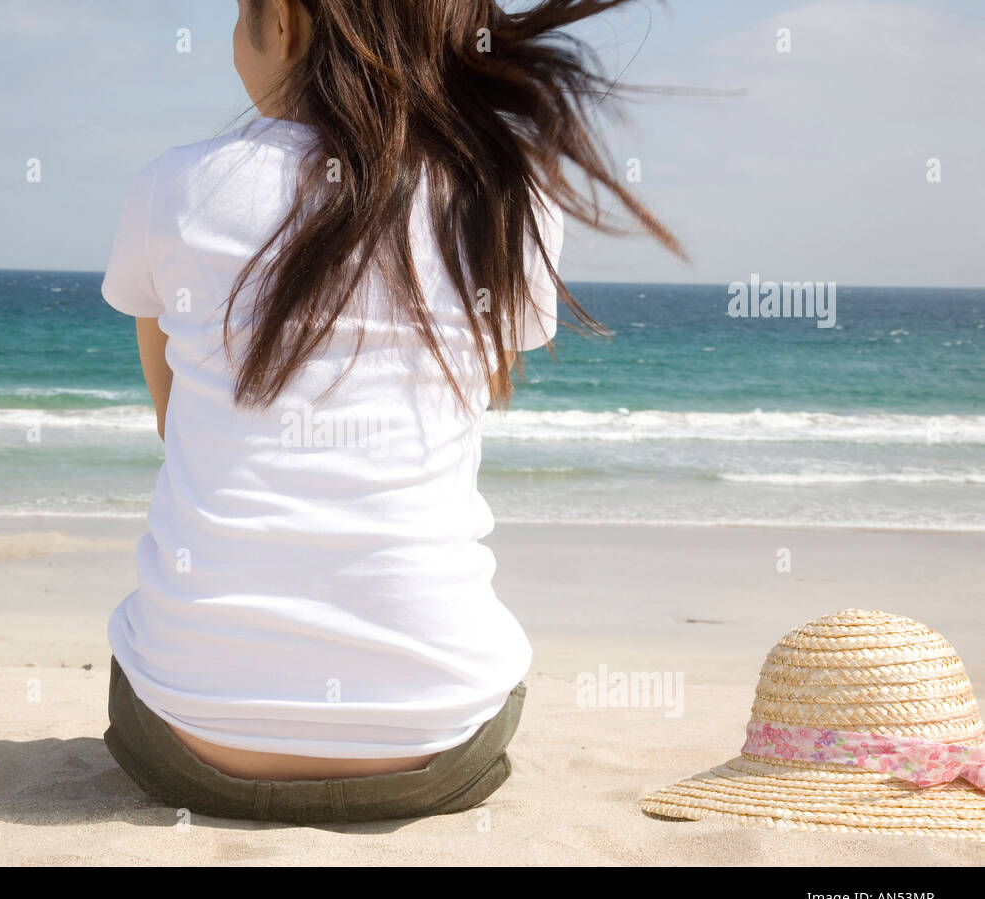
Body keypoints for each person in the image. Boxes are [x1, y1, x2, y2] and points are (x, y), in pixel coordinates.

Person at [100, 0, 680, 824]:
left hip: (192, 746)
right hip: (435, 746)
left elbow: (175, 424)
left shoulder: (175, 187)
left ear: (285, 26)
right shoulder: (507, 196)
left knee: (137, 648)